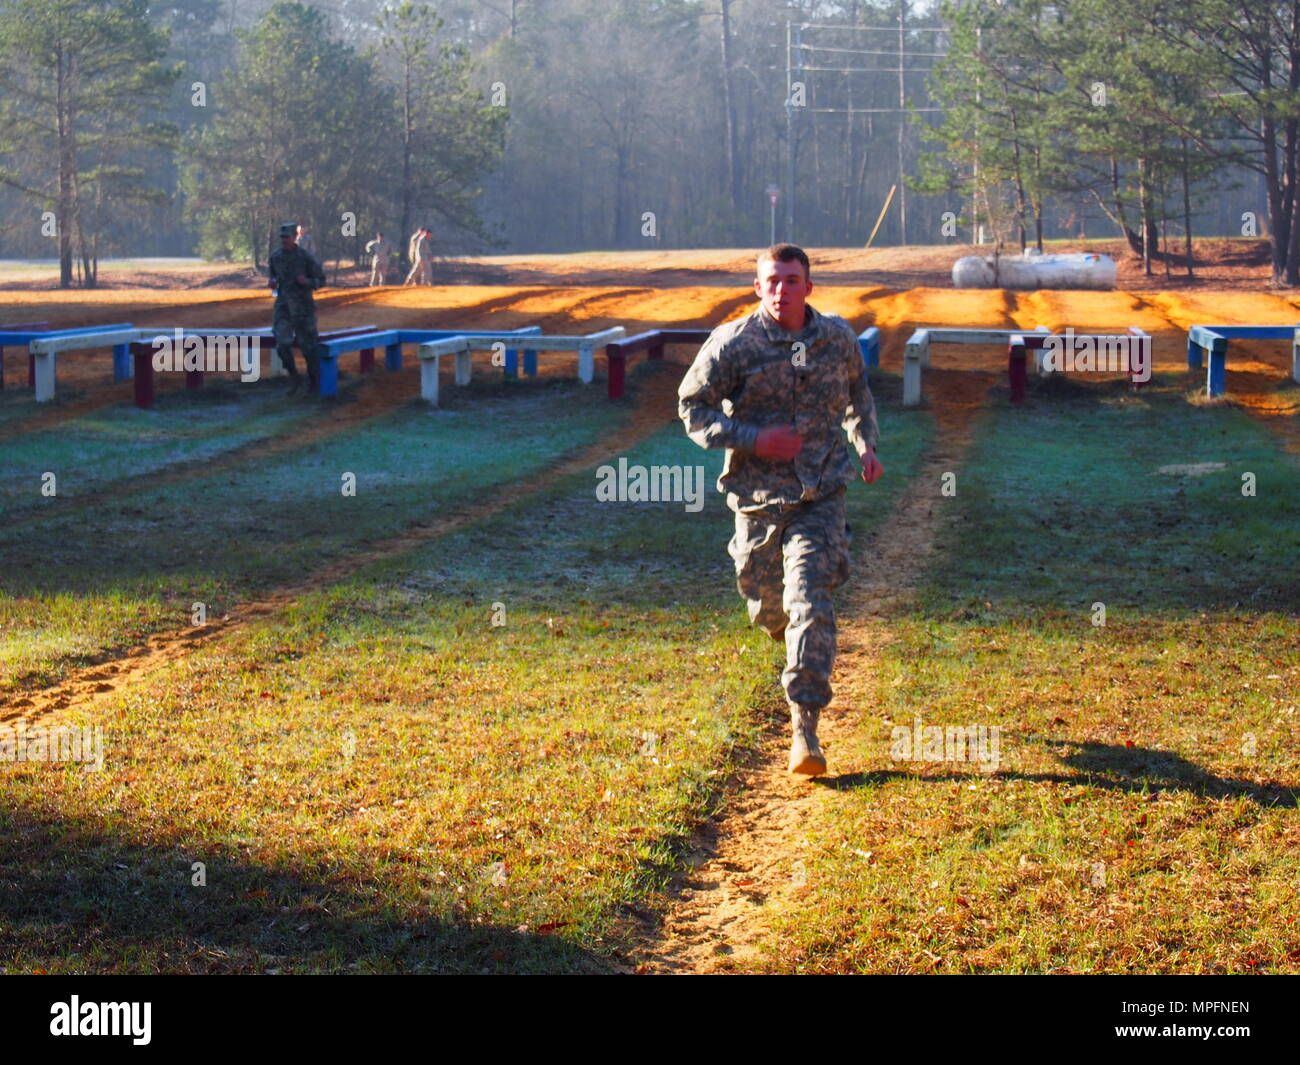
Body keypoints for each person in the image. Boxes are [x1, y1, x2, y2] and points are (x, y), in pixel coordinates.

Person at [678, 243, 884, 776]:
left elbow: (859, 394)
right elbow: (692, 407)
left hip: (820, 493)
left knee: (808, 600)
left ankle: (804, 729)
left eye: (791, 280)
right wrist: (752, 437)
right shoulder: (733, 345)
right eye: (772, 280)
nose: (781, 290)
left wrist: (865, 444)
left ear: (808, 287)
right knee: (770, 607)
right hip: (757, 499)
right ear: (757, 287)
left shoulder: (837, 339)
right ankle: (792, 633)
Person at [267, 221, 327, 396]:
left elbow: (321, 281)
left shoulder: (305, 257)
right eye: (282, 237)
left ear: (294, 237)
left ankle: (313, 384)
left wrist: (306, 281)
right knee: (282, 345)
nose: (284, 240)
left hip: (303, 308)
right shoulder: (276, 257)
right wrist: (272, 283)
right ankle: (295, 379)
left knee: (308, 347)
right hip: (284, 307)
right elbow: (273, 277)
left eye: (287, 237)